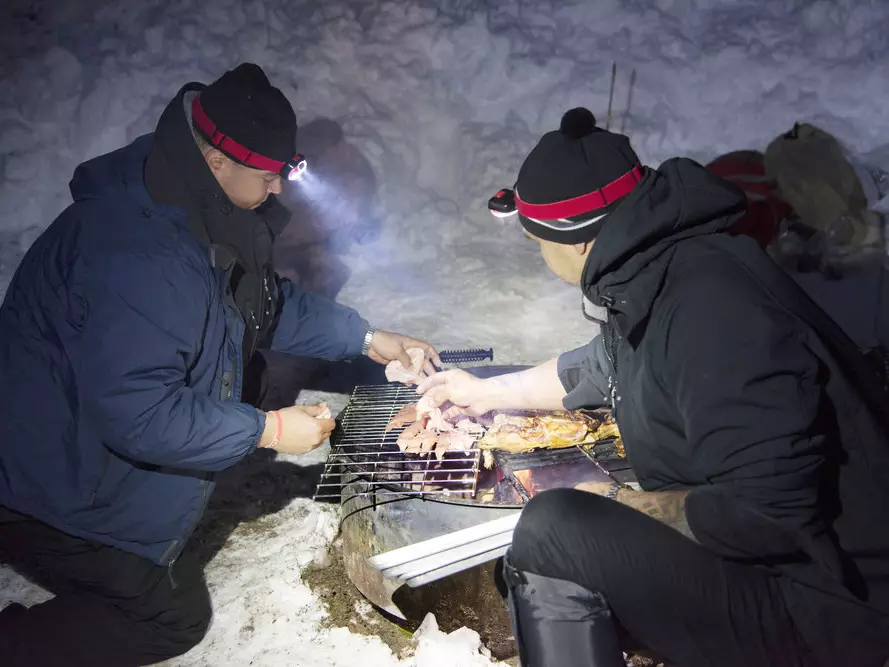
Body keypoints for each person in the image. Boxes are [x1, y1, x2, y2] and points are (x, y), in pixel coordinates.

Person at [0, 63, 437, 666]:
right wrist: (270, 431)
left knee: (244, 370)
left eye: (287, 171)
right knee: (171, 618)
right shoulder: (142, 255)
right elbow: (140, 414)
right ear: (217, 162)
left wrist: (367, 337)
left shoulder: (199, 203)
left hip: (89, 429)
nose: (281, 188)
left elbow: (260, 306)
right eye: (269, 174)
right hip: (44, 481)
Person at [418, 108, 889, 667]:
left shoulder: (709, 310)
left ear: (574, 242)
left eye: (535, 239)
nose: (536, 253)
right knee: (534, 556)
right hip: (794, 576)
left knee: (552, 534)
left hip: (834, 607)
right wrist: (487, 392)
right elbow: (607, 363)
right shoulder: (664, 265)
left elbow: (772, 512)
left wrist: (624, 503)